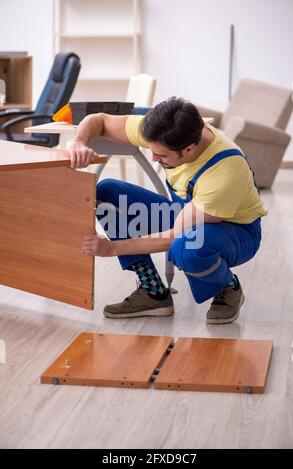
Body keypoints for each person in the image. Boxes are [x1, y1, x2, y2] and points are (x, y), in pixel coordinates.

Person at [69, 97, 267, 324]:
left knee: (188, 247)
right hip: (186, 215)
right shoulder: (165, 131)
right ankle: (153, 292)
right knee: (108, 193)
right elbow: (99, 120)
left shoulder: (225, 172)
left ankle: (228, 286)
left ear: (189, 149)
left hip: (237, 232)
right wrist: (79, 142)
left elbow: (176, 236)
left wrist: (112, 248)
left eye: (161, 156)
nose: (153, 157)